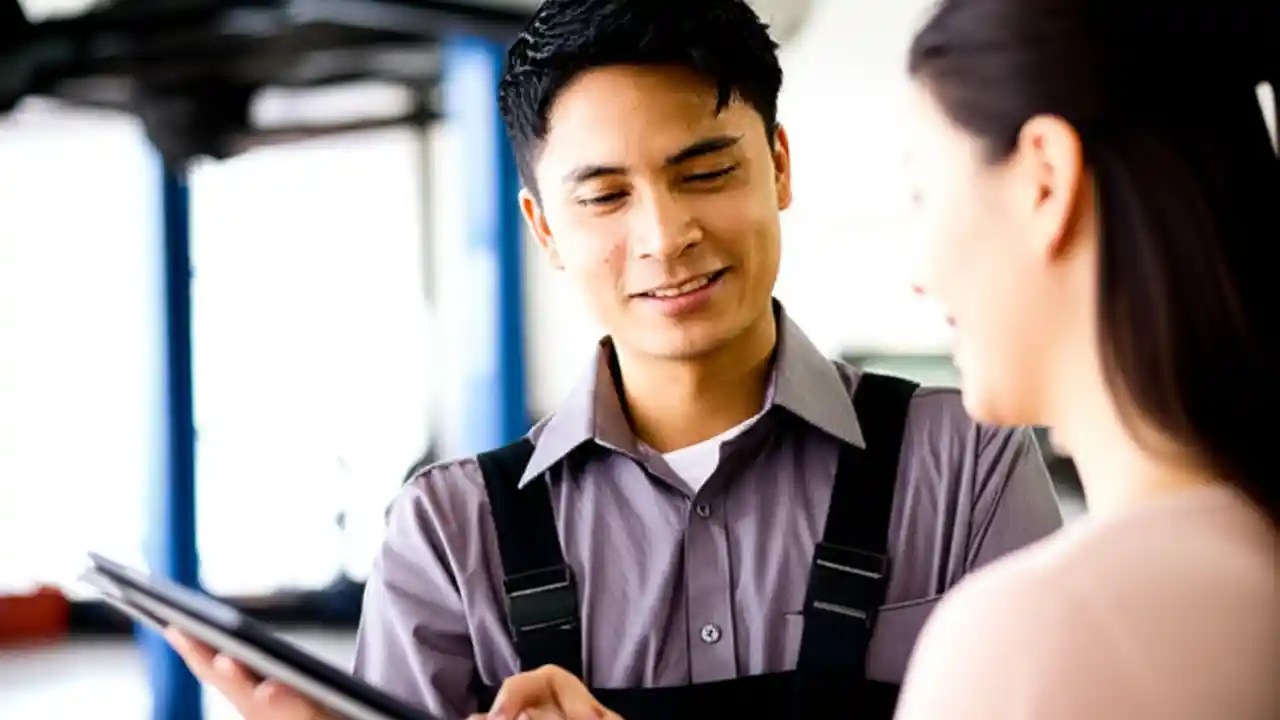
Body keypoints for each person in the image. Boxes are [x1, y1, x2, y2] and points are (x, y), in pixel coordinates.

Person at [164, 0, 1065, 717]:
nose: (665, 237)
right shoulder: (449, 535)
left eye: (706, 172)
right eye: (603, 196)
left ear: (779, 165)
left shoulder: (965, 463)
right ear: (544, 228)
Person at [473, 0, 1280, 717]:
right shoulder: (1238, 569)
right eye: (606, 195)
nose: (920, 271)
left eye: (925, 191)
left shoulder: (1036, 625)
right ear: (542, 225)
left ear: (1045, 180)